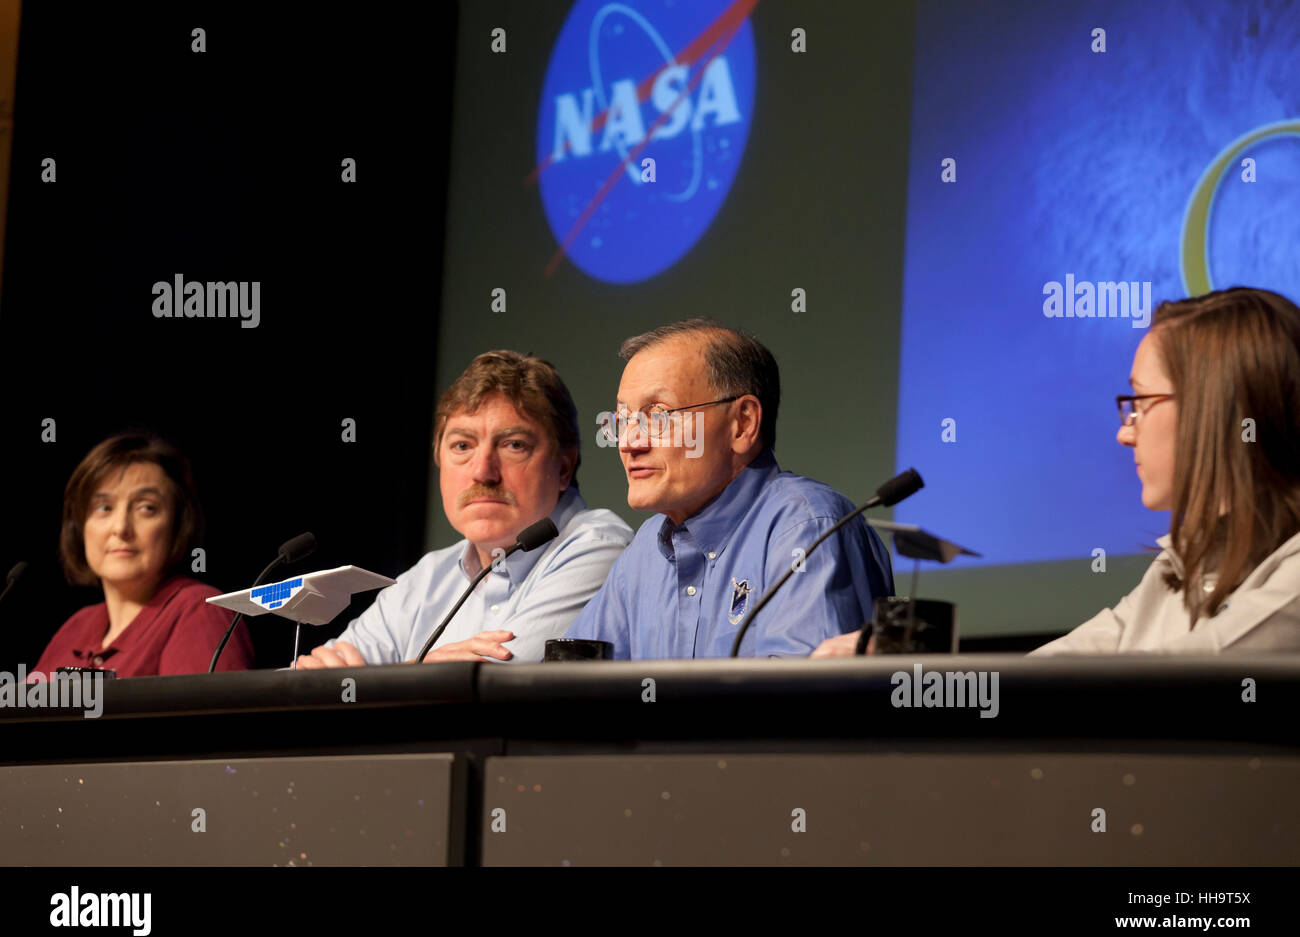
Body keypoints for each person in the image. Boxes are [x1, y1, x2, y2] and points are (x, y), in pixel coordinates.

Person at [812, 287, 1300, 658]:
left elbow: (1186, 686)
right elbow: (1053, 673)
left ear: (1210, 409)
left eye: (1139, 404)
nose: (1125, 434)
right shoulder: (1179, 568)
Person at [562, 319, 894, 658]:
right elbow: (567, 687)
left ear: (743, 424)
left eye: (657, 416)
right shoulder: (646, 551)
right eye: (622, 420)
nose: (629, 442)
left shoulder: (806, 528)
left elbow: (802, 697)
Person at [297, 350, 632, 667]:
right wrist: (412, 676)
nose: (482, 472)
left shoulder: (600, 546)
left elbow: (493, 689)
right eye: (462, 445)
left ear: (563, 468)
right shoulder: (428, 578)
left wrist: (380, 681)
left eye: (514, 445)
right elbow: (303, 688)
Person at [32, 432, 253, 677]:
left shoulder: (199, 611)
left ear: (177, 524)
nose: (121, 528)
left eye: (146, 508)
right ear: (80, 526)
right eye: (103, 508)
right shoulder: (76, 627)